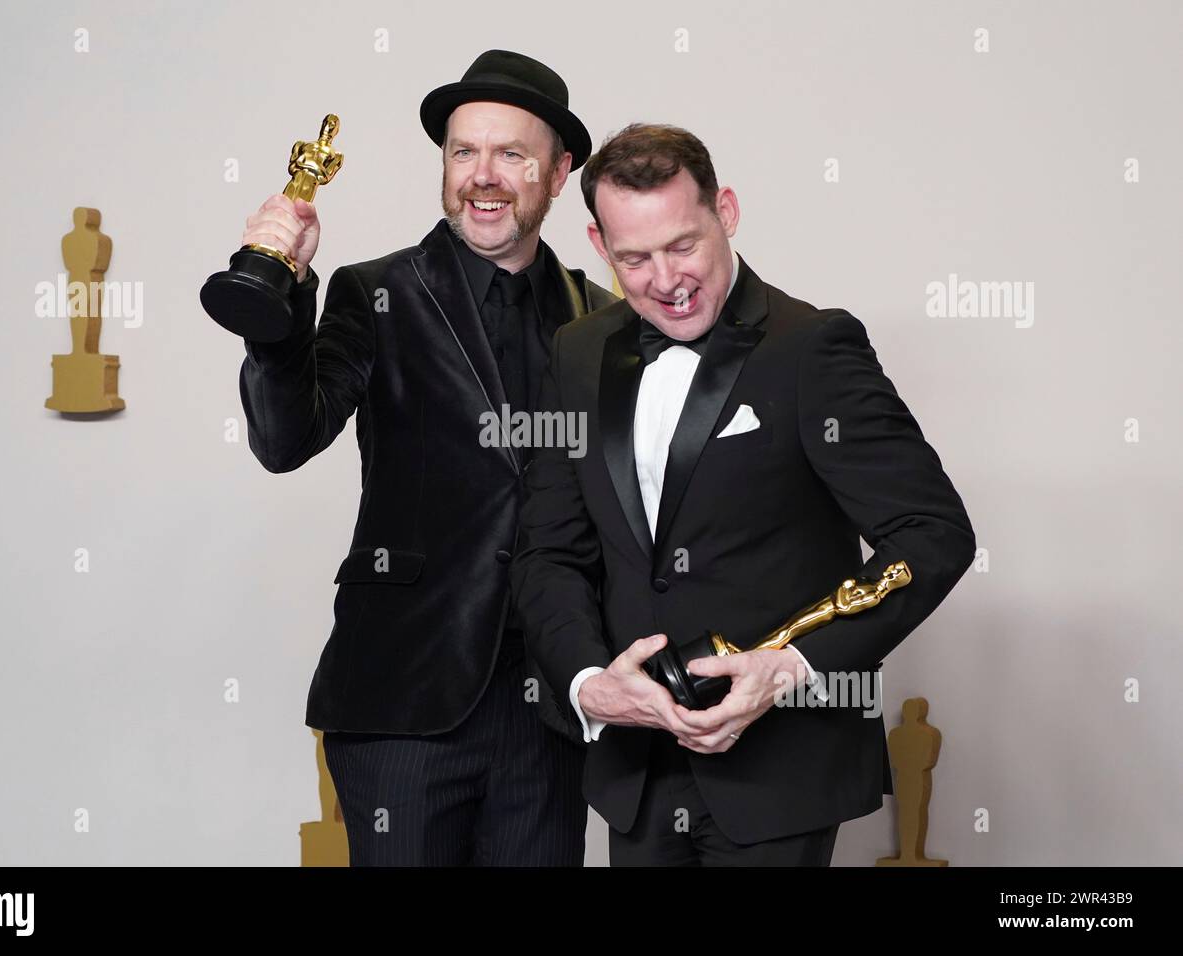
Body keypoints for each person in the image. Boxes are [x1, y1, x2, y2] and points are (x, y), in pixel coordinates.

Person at [511, 123, 976, 866]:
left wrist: (790, 670)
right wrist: (589, 683)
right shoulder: (577, 354)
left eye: (683, 244)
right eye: (634, 258)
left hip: (778, 772)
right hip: (633, 770)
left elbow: (933, 534)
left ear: (725, 211)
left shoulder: (812, 347)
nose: (665, 279)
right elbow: (548, 552)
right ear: (600, 248)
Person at [230, 50, 615, 865]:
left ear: (559, 170)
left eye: (512, 154)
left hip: (549, 709)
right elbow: (283, 438)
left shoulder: (601, 316)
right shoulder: (376, 292)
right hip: (402, 699)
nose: (484, 176)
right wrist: (279, 313)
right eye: (463, 151)